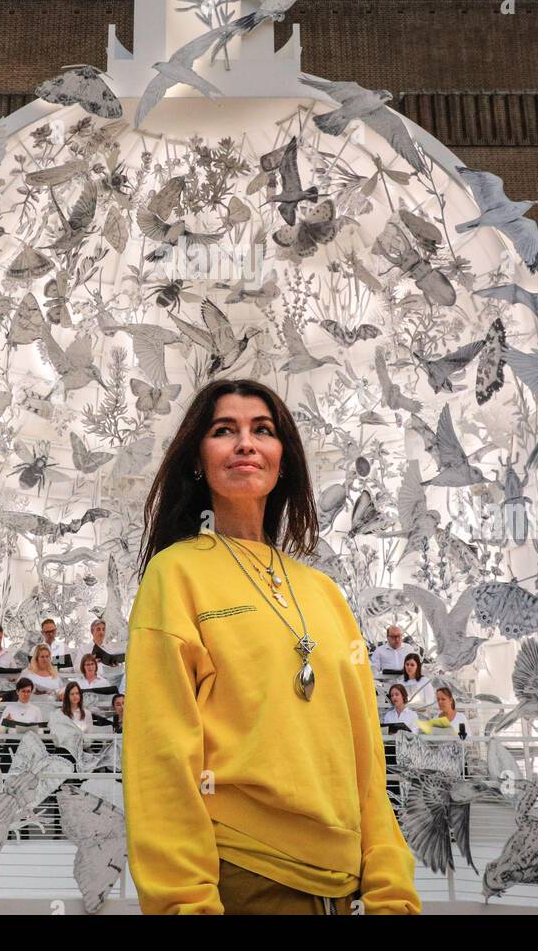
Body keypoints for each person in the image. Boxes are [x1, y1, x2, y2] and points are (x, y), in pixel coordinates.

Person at [122, 378, 421, 917]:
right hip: (242, 875)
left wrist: (391, 889)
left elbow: (365, 757)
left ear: (283, 460)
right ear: (199, 459)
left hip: (348, 887)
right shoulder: (176, 573)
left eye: (262, 430)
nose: (245, 443)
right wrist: (182, 904)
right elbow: (160, 755)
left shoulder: (324, 592)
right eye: (223, 431)